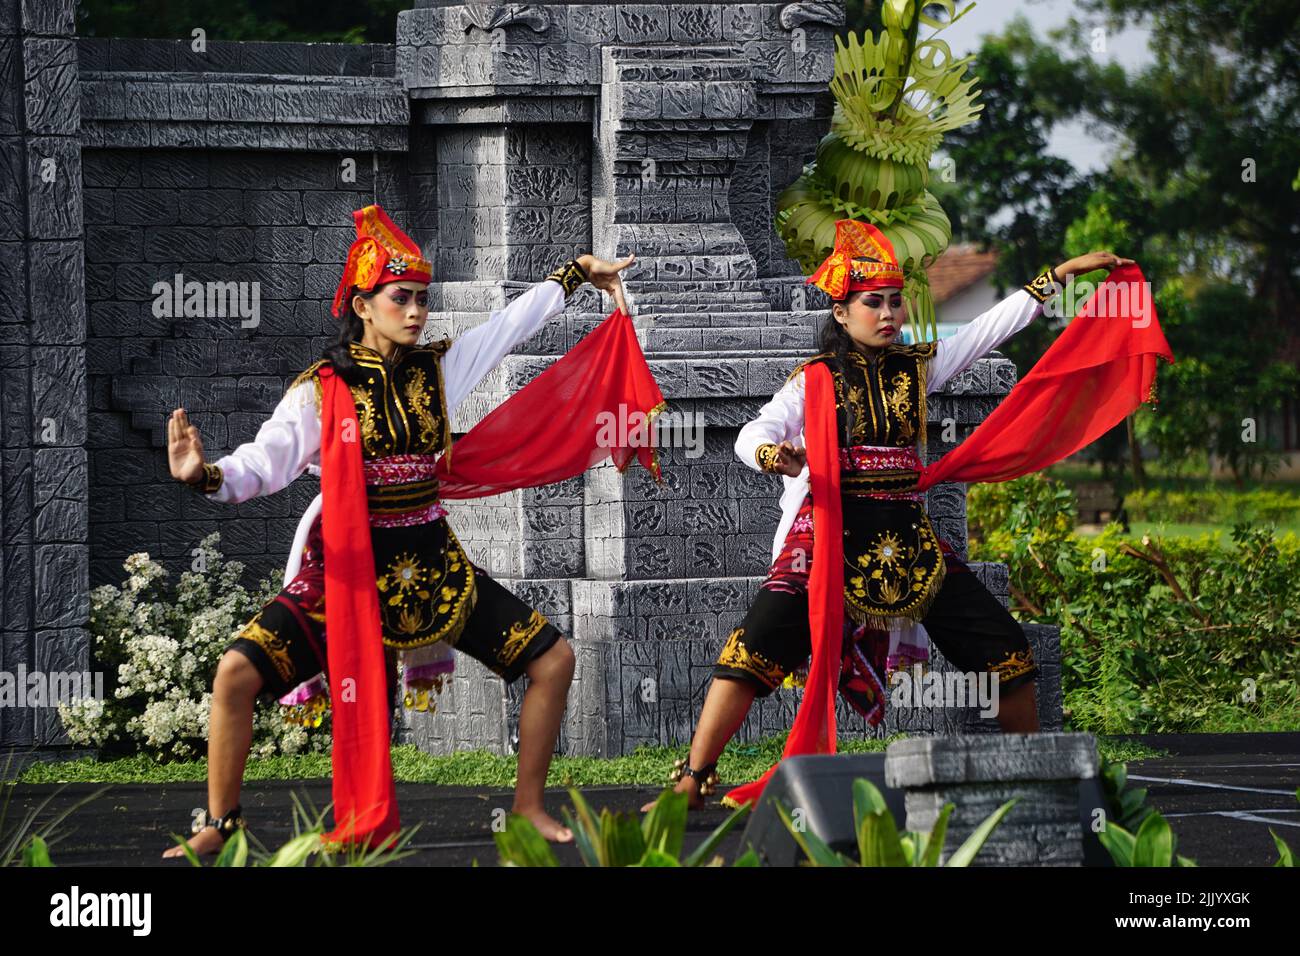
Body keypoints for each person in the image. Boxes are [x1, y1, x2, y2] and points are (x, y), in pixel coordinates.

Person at [163, 204, 637, 855]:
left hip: (429, 568)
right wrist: (206, 475)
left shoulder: (435, 371)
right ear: (363, 304)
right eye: (400, 299)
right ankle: (220, 825)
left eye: (421, 299)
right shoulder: (322, 391)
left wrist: (576, 274)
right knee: (236, 676)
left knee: (554, 659)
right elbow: (264, 464)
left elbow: (505, 328)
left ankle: (526, 806)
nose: (415, 312)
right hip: (346, 573)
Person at [646, 219, 1133, 811]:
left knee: (1005, 650)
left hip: (907, 538)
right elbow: (753, 433)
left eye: (895, 303)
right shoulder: (815, 380)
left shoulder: (918, 368)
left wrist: (1055, 278)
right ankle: (691, 782)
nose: (887, 314)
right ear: (843, 312)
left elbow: (987, 330)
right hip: (829, 532)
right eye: (872, 303)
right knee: (753, 648)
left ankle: (1026, 776)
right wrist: (779, 455)